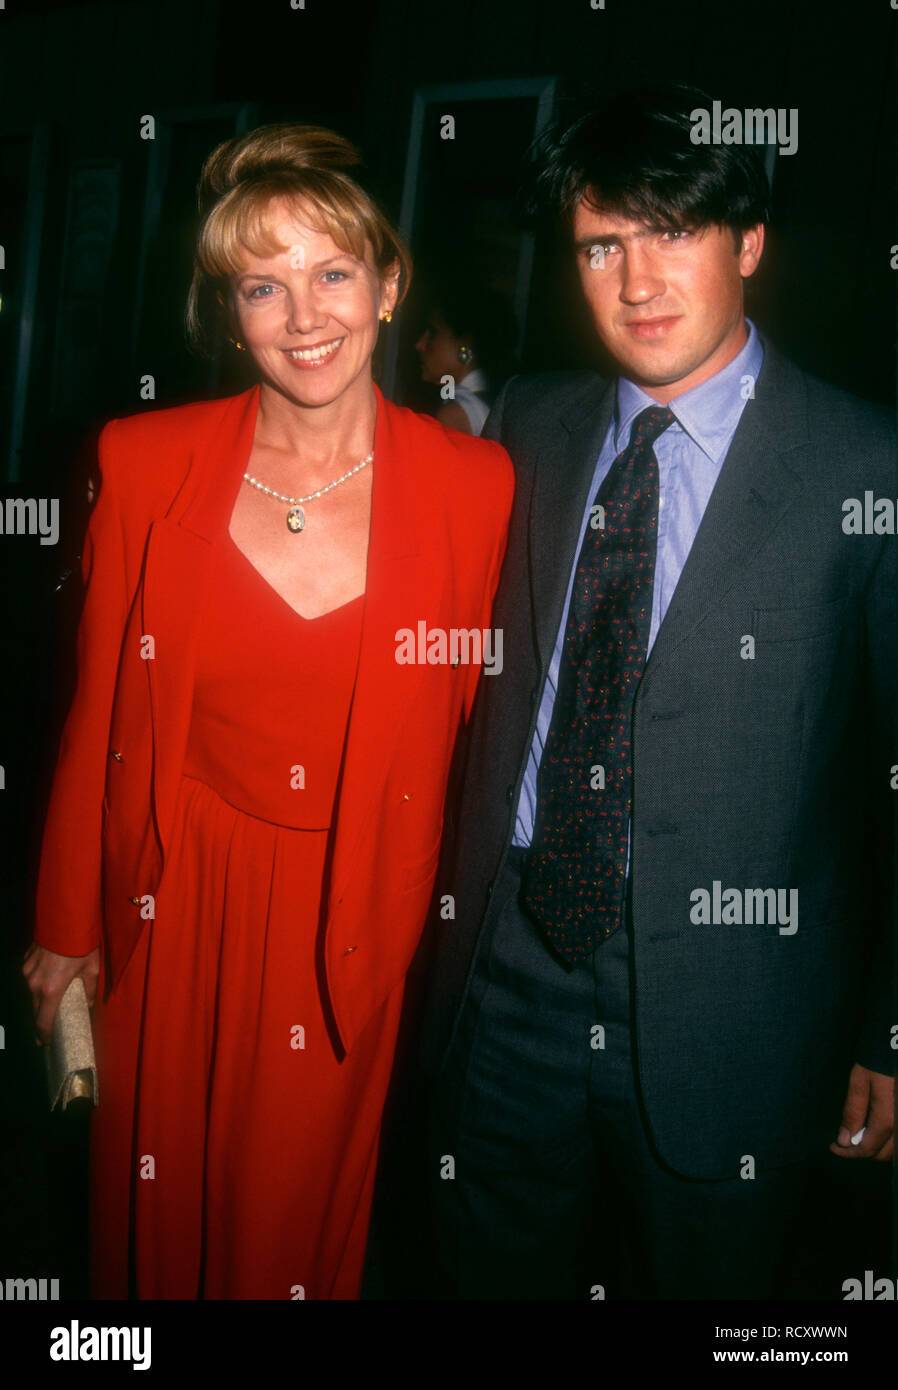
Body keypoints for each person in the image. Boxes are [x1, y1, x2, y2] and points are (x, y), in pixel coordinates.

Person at [412, 84, 895, 1300]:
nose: (637, 282)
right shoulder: (531, 421)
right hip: (512, 963)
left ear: (748, 240)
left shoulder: (863, 466)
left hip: (735, 1003)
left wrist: (886, 1028)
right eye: (601, 244)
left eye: (672, 232)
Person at [23, 123, 513, 1300]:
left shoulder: (475, 486)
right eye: (263, 284)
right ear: (225, 312)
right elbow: (98, 711)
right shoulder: (144, 460)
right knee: (152, 1217)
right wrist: (66, 923)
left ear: (390, 287)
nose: (304, 317)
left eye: (333, 273)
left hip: (345, 917)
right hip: (170, 894)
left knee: (284, 1238)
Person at [414, 277, 516, 435]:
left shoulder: (454, 414)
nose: (419, 345)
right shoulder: (493, 403)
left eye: (433, 333)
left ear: (465, 346)